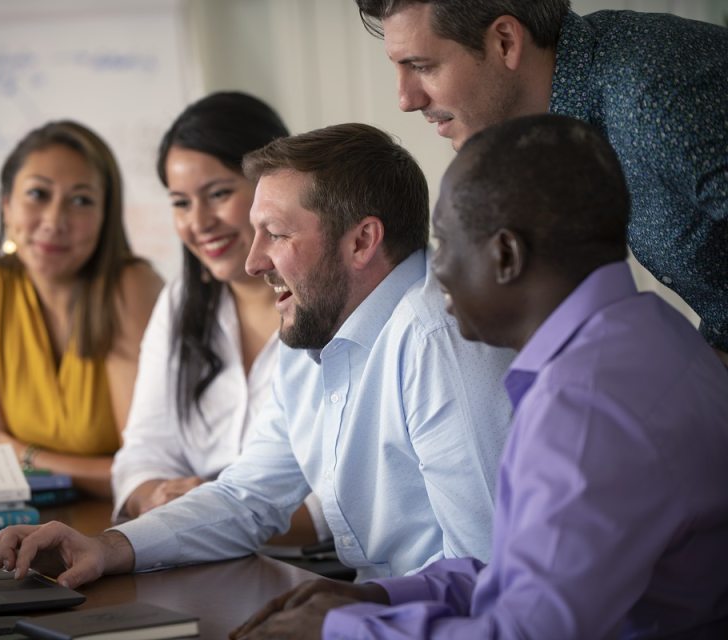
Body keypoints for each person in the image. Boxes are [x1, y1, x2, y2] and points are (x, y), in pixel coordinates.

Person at [232, 114, 728, 639]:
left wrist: (341, 631)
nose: (434, 271)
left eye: (444, 244)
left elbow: (526, 633)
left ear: (505, 255)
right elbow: (518, 577)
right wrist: (378, 596)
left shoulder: (583, 404)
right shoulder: (654, 331)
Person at [0, 122, 514, 587]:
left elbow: (487, 571)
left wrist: (353, 608)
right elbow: (245, 497)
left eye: (276, 235)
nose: (255, 260)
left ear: (361, 242)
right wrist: (109, 547)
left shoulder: (438, 339)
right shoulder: (311, 334)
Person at [353, 0, 728, 365]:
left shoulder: (651, 96)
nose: (405, 99)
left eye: (421, 65)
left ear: (505, 41)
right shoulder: (572, 121)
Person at [111, 91, 327, 543]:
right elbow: (142, 451)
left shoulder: (332, 299)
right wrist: (161, 500)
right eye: (180, 203)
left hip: (316, 569)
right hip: (192, 545)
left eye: (219, 194)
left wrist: (218, 509)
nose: (199, 221)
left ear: (273, 186)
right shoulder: (181, 301)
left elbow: (347, 495)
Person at [0, 120, 163, 498]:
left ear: (105, 216)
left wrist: (22, 454)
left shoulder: (130, 287)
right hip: (27, 521)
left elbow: (144, 475)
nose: (54, 221)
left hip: (124, 525)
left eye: (81, 200)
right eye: (37, 194)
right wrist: (12, 457)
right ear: (6, 207)